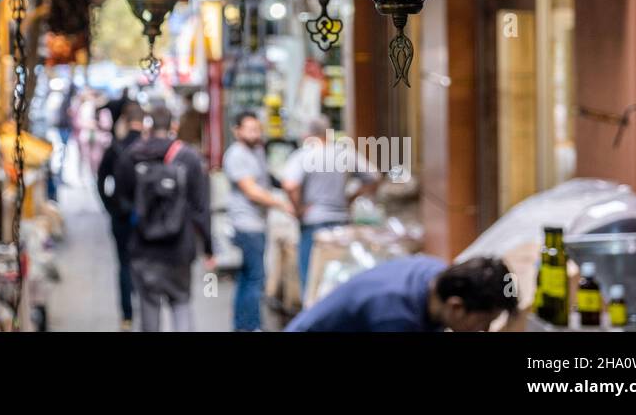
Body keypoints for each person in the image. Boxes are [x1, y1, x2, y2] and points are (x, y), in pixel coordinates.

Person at [113, 106, 213, 332]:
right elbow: (201, 208)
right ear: (173, 127)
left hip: (143, 249)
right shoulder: (189, 158)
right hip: (180, 248)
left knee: (149, 309)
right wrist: (208, 247)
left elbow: (120, 201)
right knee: (181, 304)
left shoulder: (132, 156)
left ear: (149, 127)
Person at [284, 255, 517, 332]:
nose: (484, 331)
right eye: (484, 323)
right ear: (456, 306)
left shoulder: (433, 273)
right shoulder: (395, 316)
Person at [280, 115, 379, 295]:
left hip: (313, 223)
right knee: (338, 279)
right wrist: (350, 198)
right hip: (341, 223)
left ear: (308, 135)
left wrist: (298, 209)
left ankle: (312, 320)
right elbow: (373, 177)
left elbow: (290, 185)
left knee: (312, 282)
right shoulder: (345, 153)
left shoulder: (304, 155)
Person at [222, 111, 290, 332]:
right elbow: (251, 190)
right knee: (255, 279)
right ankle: (251, 326)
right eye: (250, 129)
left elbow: (266, 179)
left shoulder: (257, 150)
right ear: (237, 130)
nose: (255, 134)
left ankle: (242, 325)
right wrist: (282, 204)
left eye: (257, 129)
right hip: (246, 225)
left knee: (247, 278)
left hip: (258, 223)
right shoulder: (236, 155)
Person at [96, 98, 145, 330]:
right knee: (145, 263)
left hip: (121, 215)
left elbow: (101, 180)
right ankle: (148, 310)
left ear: (124, 121)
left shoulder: (115, 149)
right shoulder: (148, 148)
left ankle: (127, 316)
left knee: (124, 264)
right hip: (146, 216)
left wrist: (110, 205)